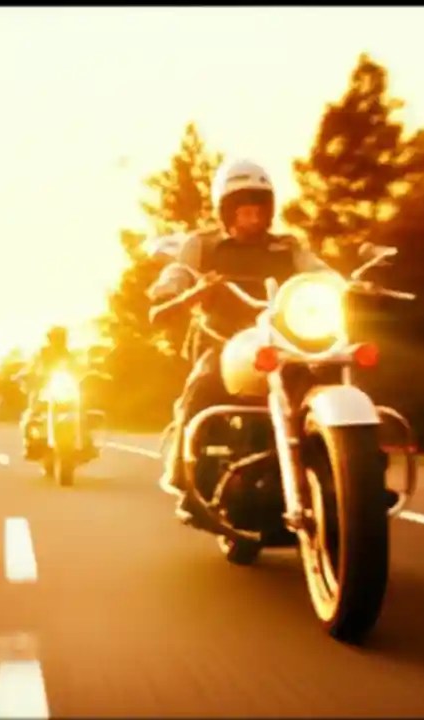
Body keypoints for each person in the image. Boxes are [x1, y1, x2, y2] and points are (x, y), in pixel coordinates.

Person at [147, 158, 332, 521]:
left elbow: (320, 272)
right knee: (201, 389)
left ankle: (352, 472)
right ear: (226, 211)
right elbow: (174, 276)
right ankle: (187, 479)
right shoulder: (202, 245)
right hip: (225, 342)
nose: (252, 217)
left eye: (258, 208)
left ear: (269, 209)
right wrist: (178, 291)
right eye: (243, 209)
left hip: (286, 345)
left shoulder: (287, 247)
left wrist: (348, 286)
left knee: (326, 386)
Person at [17, 326, 82, 459]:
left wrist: (89, 374)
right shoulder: (41, 354)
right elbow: (31, 367)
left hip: (66, 389)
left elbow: (80, 369)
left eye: (62, 337)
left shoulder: (70, 355)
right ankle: (29, 443)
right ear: (50, 339)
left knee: (84, 407)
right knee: (32, 412)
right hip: (44, 390)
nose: (59, 340)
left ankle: (86, 440)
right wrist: (25, 375)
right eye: (56, 337)